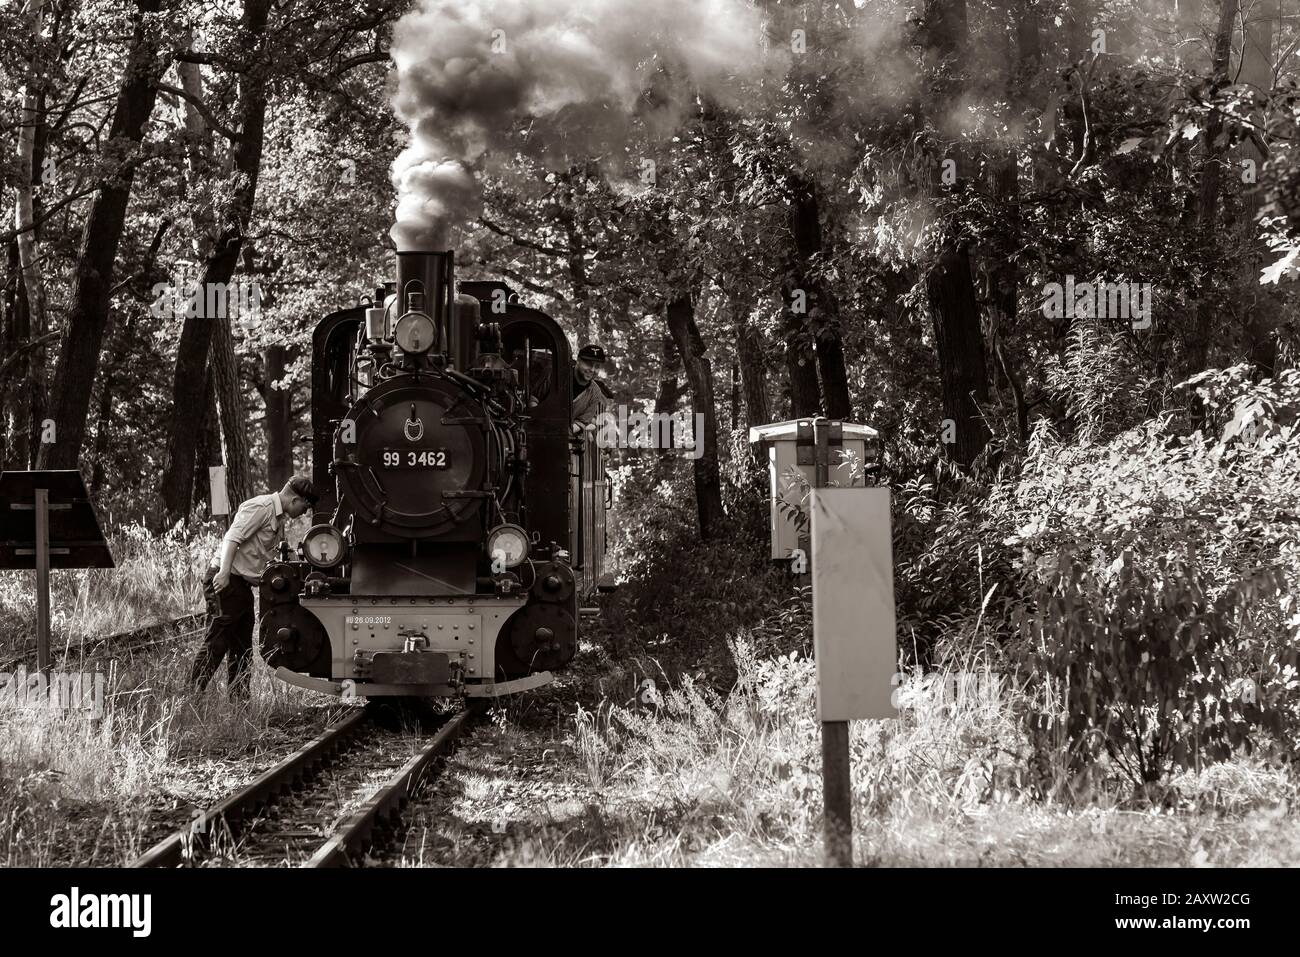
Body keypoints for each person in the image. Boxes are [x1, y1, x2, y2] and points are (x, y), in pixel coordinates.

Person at [190, 475, 317, 697]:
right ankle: (191, 695)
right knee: (218, 641)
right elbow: (232, 537)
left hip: (241, 586)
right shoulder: (262, 507)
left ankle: (239, 700)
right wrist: (223, 573)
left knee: (242, 648)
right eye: (305, 507)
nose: (304, 513)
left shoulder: (278, 518)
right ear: (295, 499)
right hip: (227, 579)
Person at [571, 343, 612, 433]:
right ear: (578, 360)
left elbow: (581, 421)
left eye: (597, 366)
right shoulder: (557, 375)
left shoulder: (596, 392)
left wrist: (565, 431)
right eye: (589, 364)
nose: (592, 369)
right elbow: (534, 400)